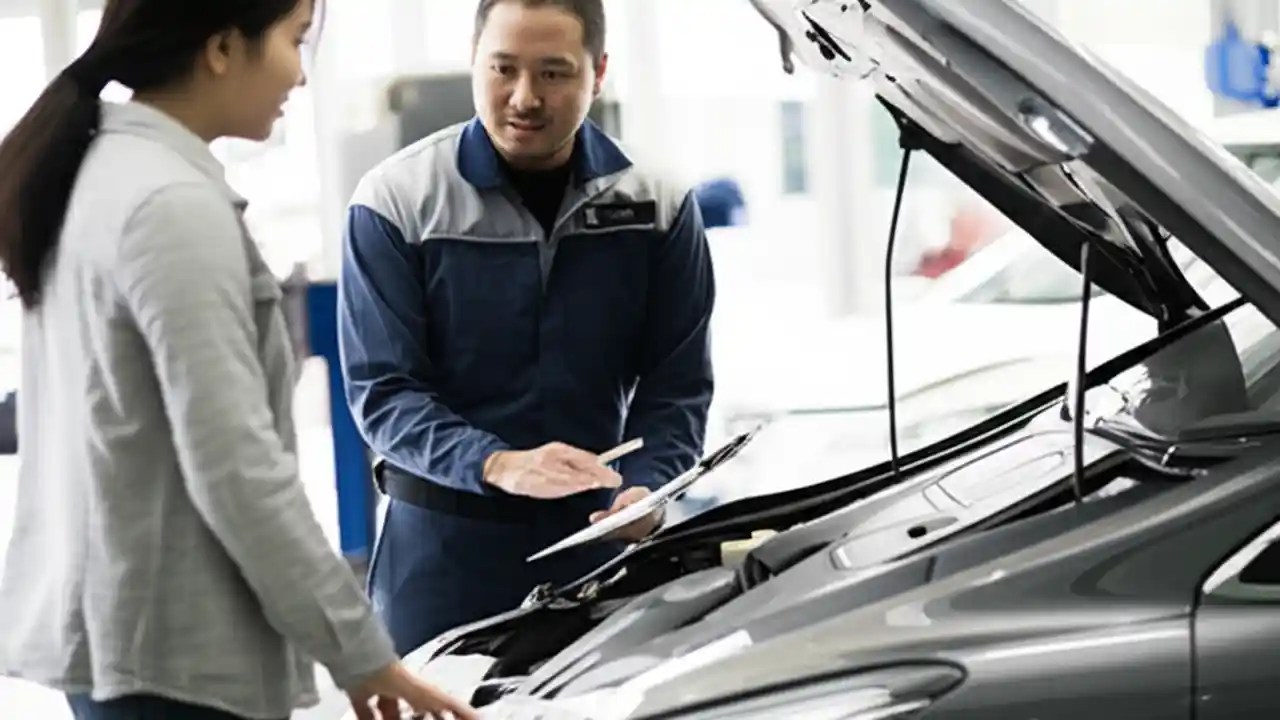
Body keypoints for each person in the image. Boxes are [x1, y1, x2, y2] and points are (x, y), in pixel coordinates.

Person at [0, 2, 475, 719]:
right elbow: (238, 469)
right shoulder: (168, 204)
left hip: (126, 644)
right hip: (173, 665)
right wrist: (360, 652)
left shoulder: (101, 172)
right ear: (223, 47)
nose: (301, 78)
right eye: (293, 42)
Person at [339, 0, 716, 654]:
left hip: (596, 546)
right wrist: (495, 462)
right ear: (474, 65)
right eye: (503, 69)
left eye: (554, 73)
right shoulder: (396, 201)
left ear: (599, 73)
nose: (525, 97)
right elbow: (385, 391)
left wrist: (650, 484)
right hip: (441, 555)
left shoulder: (658, 204)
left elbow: (676, 384)